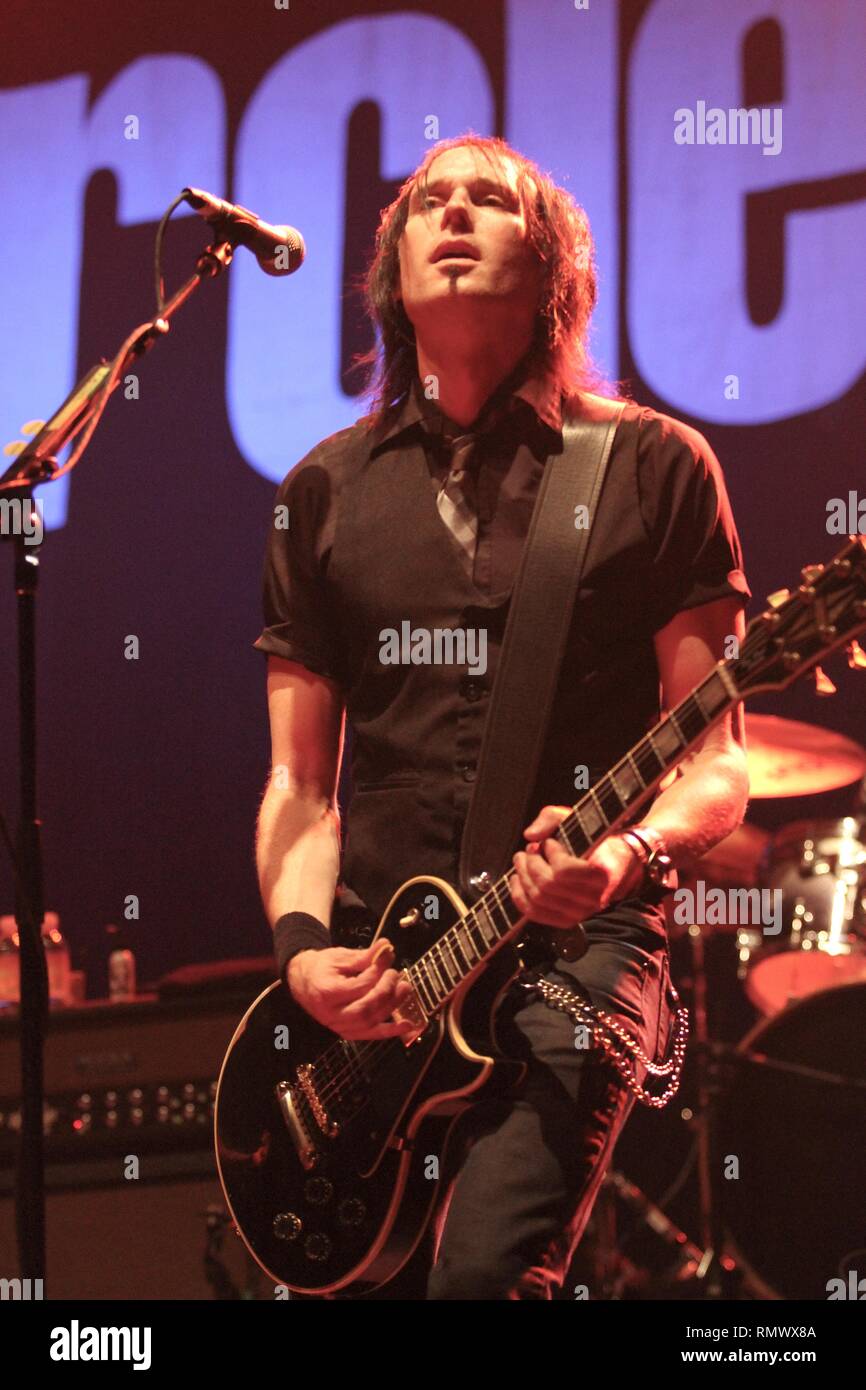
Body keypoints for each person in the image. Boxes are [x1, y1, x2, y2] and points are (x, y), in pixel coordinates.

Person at [252, 134, 751, 1300]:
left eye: (492, 200)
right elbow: (298, 787)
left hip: (580, 951)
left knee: (483, 1276)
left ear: (550, 269)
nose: (457, 214)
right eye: (432, 202)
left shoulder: (649, 466)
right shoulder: (323, 495)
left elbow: (715, 761)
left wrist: (623, 850)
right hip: (385, 976)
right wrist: (301, 953)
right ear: (394, 271)